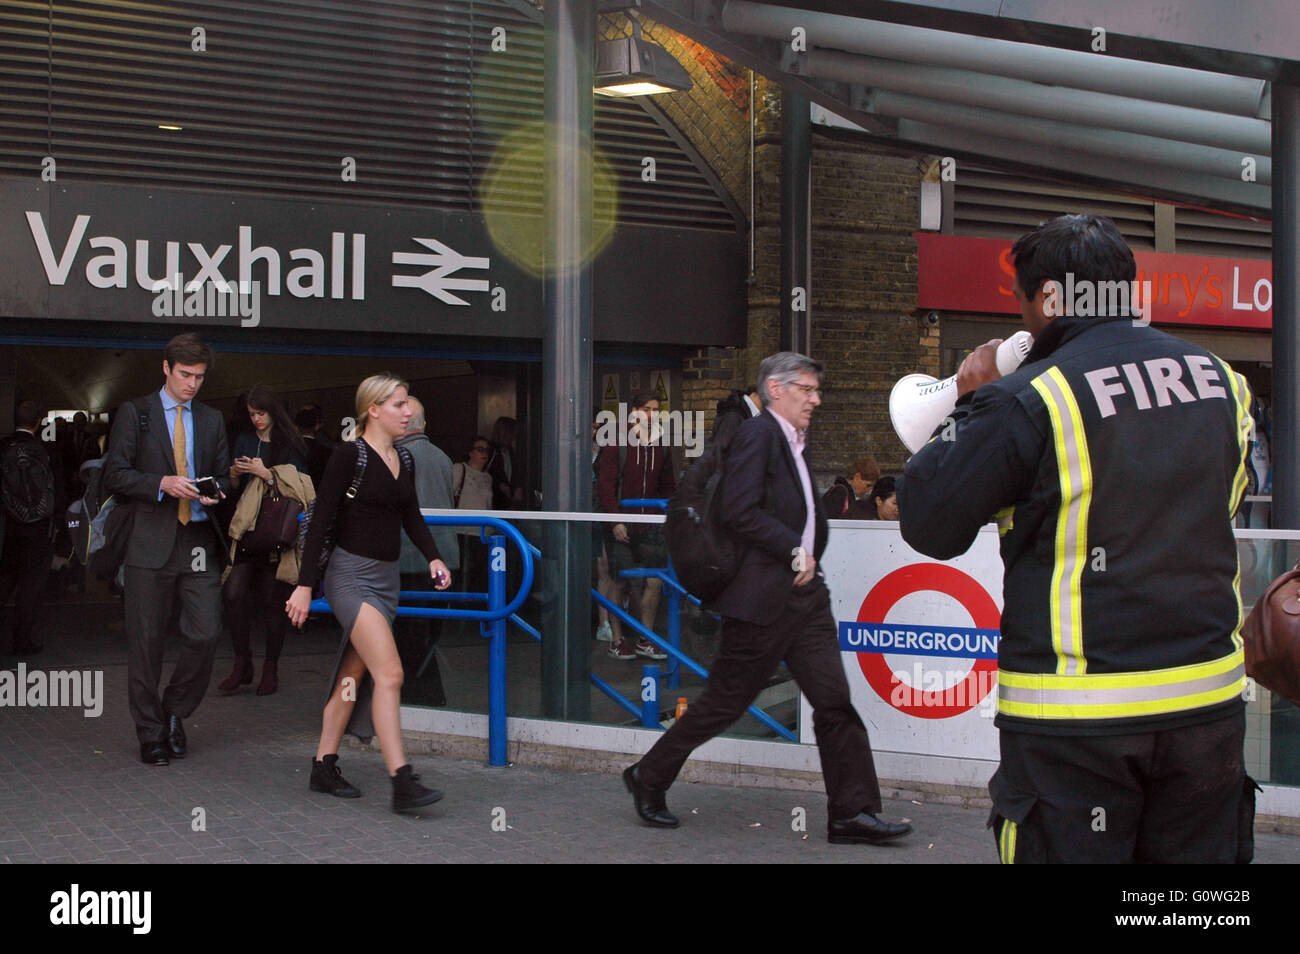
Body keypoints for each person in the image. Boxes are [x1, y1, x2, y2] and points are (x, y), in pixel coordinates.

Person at [897, 214, 1256, 864]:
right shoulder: (1224, 383)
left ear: (1049, 300)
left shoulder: (1028, 398)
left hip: (1077, 728)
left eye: (1023, 302)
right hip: (1207, 709)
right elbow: (1219, 505)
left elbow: (927, 515)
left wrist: (968, 401)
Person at [624, 352, 912, 845]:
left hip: (805, 601)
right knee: (723, 704)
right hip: (762, 600)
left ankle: (852, 813)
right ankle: (649, 775)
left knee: (834, 702)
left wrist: (805, 558)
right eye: (807, 389)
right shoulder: (758, 435)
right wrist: (793, 551)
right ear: (776, 389)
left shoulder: (792, 439)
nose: (816, 398)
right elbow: (739, 510)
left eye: (817, 390)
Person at [285, 374, 451, 813]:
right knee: (391, 674)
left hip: (386, 578)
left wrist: (433, 557)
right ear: (372, 409)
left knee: (351, 677)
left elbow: (411, 514)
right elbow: (321, 522)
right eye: (398, 404)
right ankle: (402, 781)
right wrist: (305, 586)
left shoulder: (405, 460)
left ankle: (324, 765)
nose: (407, 411)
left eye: (407, 405)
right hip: (350, 577)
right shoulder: (348, 456)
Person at [102, 333, 232, 766]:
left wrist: (217, 492)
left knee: (206, 632)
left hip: (197, 540)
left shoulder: (212, 419)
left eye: (199, 377)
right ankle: (150, 733)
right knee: (147, 643)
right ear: (166, 368)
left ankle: (174, 710)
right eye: (185, 375)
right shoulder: (135, 413)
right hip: (149, 540)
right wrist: (160, 483)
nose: (192, 384)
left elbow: (224, 479)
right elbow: (115, 475)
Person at [216, 384, 310, 696]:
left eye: (261, 413)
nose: (257, 419)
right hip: (247, 530)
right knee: (233, 593)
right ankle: (242, 663)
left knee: (273, 602)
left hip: (276, 535)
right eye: (252, 414)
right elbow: (231, 490)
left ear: (273, 412)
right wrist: (233, 475)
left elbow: (301, 493)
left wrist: (266, 473)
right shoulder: (243, 440)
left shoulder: (290, 443)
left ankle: (271, 667)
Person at [596, 394, 676, 661]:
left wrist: (668, 515)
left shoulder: (660, 443)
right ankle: (617, 640)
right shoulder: (616, 440)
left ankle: (646, 638)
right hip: (622, 520)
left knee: (655, 580)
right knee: (619, 580)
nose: (652, 415)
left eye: (656, 410)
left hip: (651, 522)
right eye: (646, 409)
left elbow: (668, 484)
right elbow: (605, 485)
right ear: (633, 412)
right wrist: (615, 519)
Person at [394, 396, 459, 705]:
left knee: (407, 634)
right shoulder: (443, 458)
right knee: (428, 634)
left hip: (410, 559)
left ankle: (418, 699)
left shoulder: (398, 457)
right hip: (445, 557)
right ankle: (431, 697)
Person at [0, 400, 62, 655]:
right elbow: (59, 492)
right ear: (38, 423)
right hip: (39, 531)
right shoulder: (46, 450)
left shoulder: (2, 448)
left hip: (8, 529)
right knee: (31, 587)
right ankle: (22, 641)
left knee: (4, 581)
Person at [451, 436, 495, 598]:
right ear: (470, 452)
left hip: (484, 533)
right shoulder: (459, 469)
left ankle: (474, 606)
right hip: (463, 531)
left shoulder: (488, 477)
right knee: (462, 574)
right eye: (480, 449)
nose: (484, 454)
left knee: (480, 575)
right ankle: (458, 607)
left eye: (487, 451)